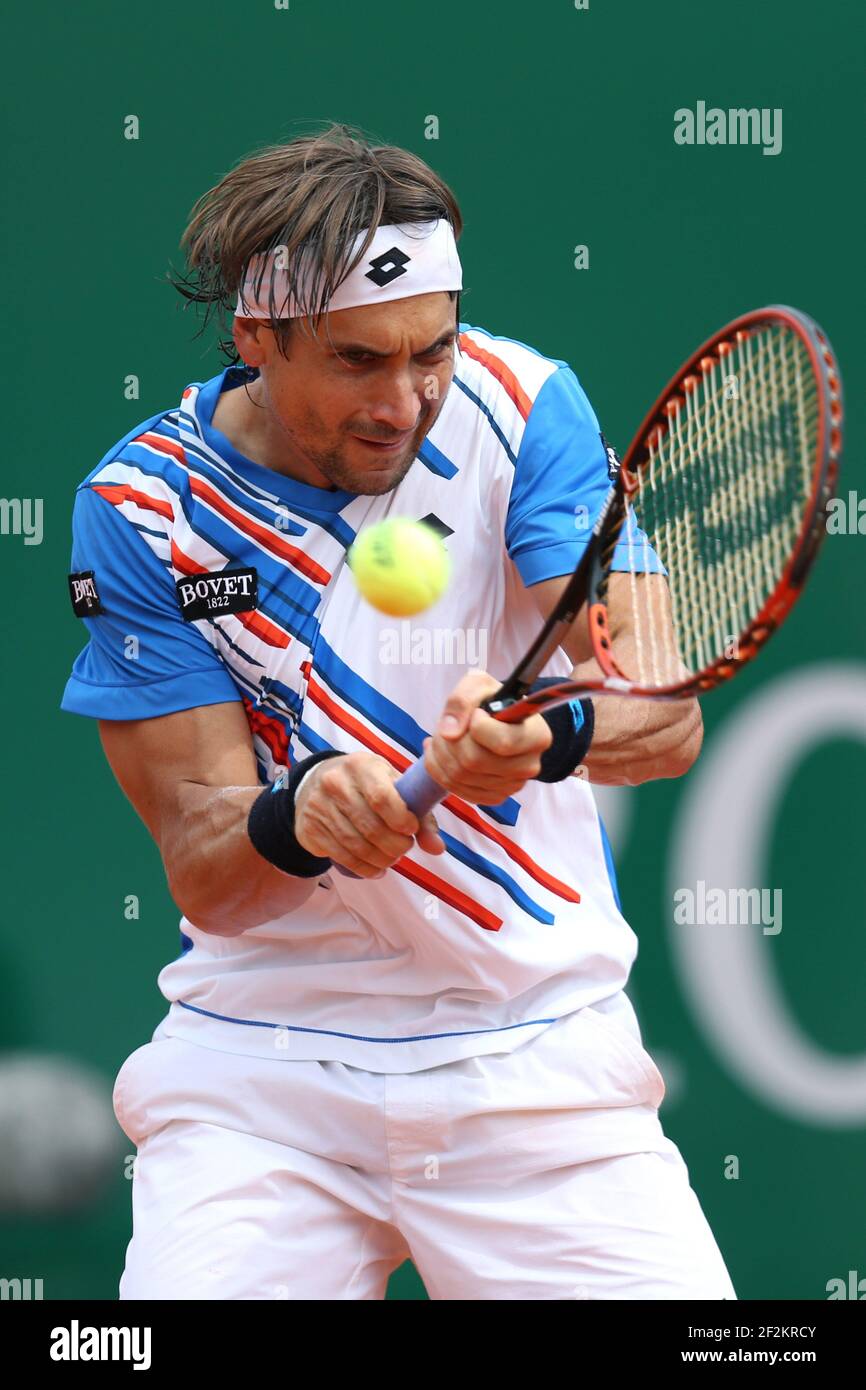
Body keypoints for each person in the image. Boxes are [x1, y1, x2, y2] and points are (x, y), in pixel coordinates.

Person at [62, 122, 736, 1300]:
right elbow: (207, 869)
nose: (408, 401)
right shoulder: (141, 510)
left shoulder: (521, 410)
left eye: (432, 350)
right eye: (359, 360)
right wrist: (298, 817)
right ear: (255, 337)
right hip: (262, 1083)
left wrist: (544, 739)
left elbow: (665, 718)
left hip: (535, 1063)